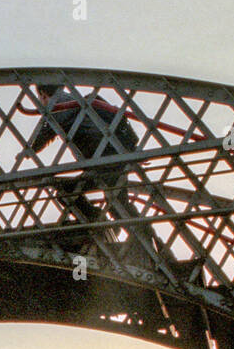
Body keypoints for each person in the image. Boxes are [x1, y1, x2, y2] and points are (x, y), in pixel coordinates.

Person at [14, 83, 142, 246]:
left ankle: (100, 221)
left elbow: (46, 131)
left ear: (43, 94)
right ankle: (147, 238)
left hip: (103, 161)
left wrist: (28, 150)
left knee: (66, 192)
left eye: (39, 98)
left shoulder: (58, 104)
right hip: (114, 157)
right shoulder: (76, 99)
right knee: (119, 205)